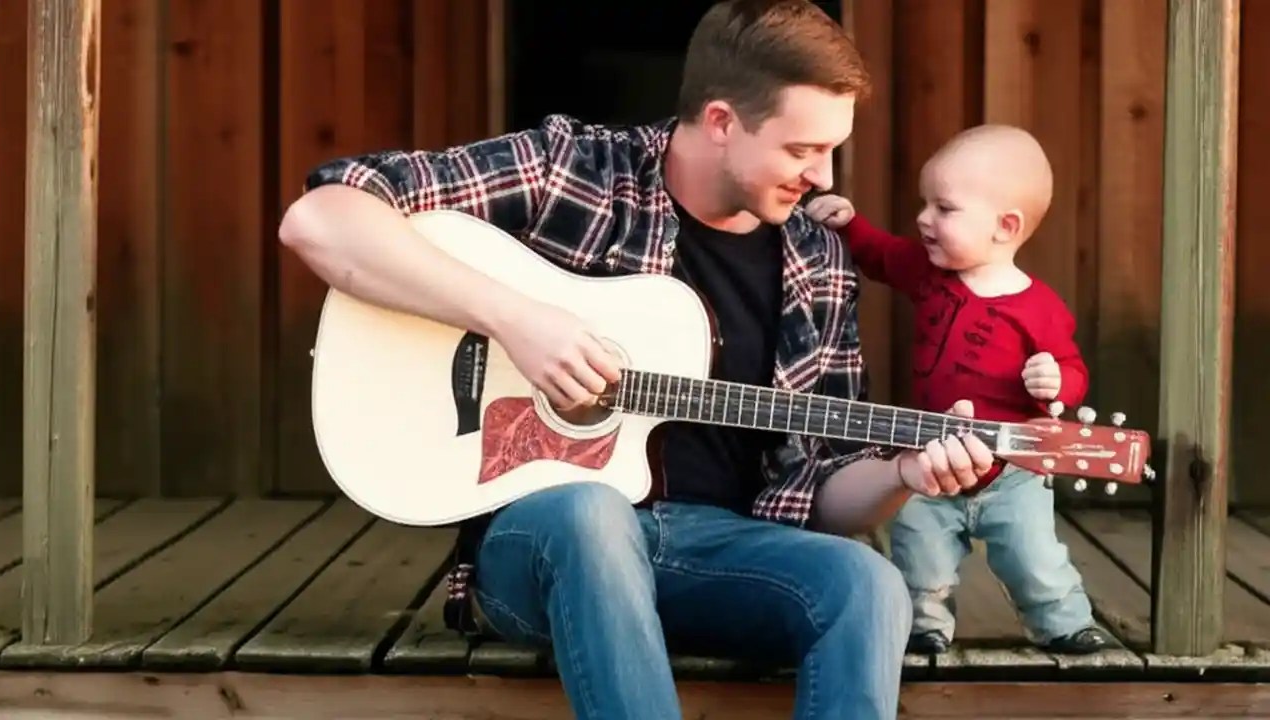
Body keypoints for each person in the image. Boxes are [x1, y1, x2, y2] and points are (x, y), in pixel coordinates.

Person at [279, 2, 995, 717]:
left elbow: (821, 490)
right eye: (801, 149)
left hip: (714, 551)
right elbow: (321, 219)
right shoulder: (577, 171)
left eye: (831, 148)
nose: (822, 174)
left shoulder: (818, 259)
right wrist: (516, 319)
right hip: (548, 546)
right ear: (720, 121)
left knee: (866, 582)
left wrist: (905, 473)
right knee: (594, 511)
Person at [804, 124, 1115, 656]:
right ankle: (926, 625)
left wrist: (1056, 382)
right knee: (919, 548)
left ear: (1005, 226)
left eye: (944, 209)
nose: (924, 218)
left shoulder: (1039, 308)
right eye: (925, 204)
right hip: (934, 455)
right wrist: (850, 226)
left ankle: (1063, 622)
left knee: (1034, 555)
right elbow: (878, 253)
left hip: (1011, 470)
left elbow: (1072, 371)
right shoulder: (928, 273)